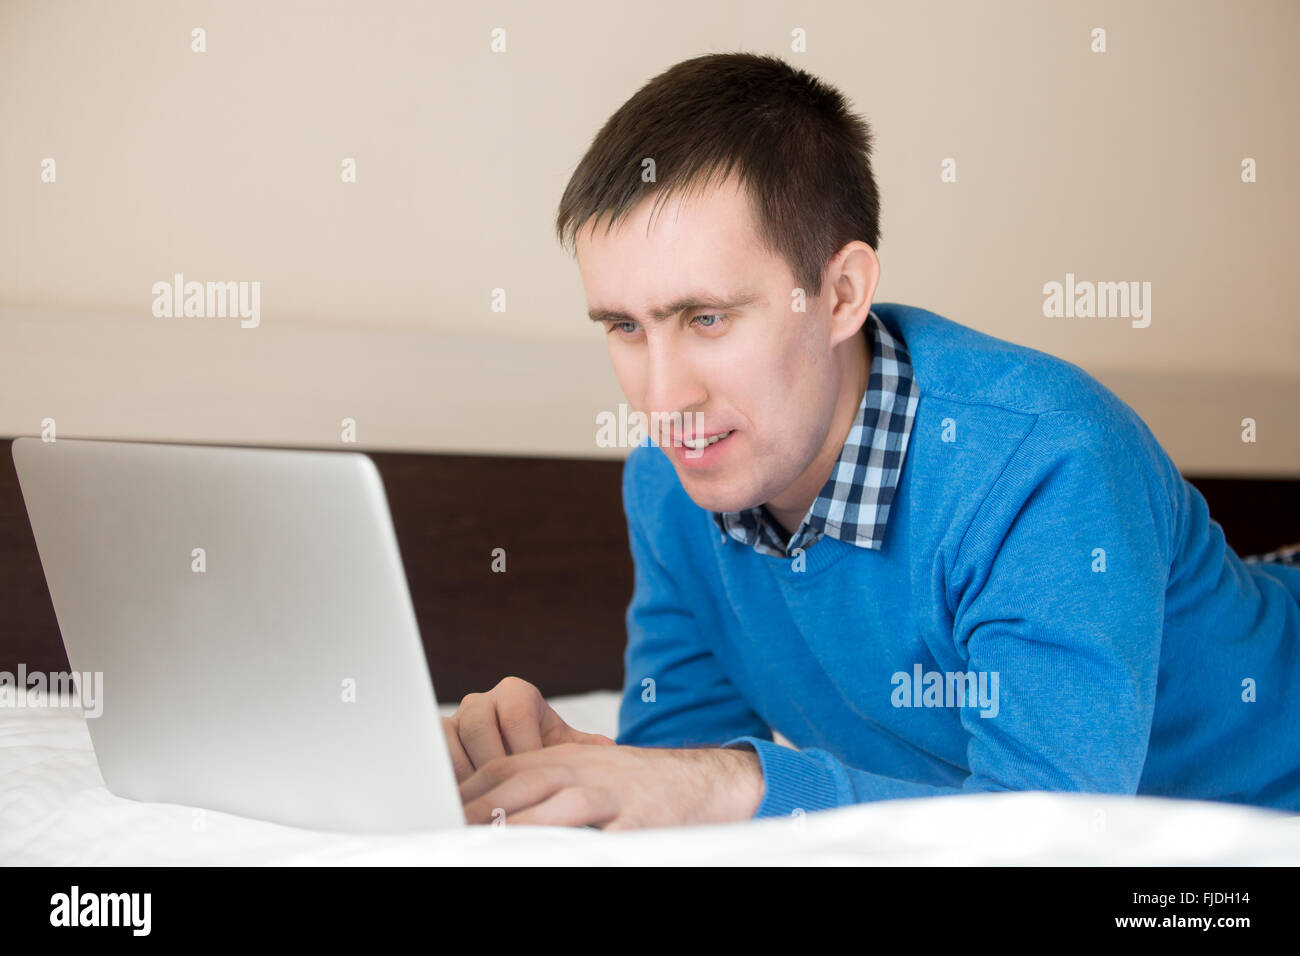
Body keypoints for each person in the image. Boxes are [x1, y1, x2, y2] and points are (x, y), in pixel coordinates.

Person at [446, 52, 1300, 829]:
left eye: (706, 318)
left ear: (843, 293)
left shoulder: (1046, 464)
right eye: (625, 327)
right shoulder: (669, 483)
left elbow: (1057, 834)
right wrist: (588, 766)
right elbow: (685, 762)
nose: (662, 398)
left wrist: (738, 784)